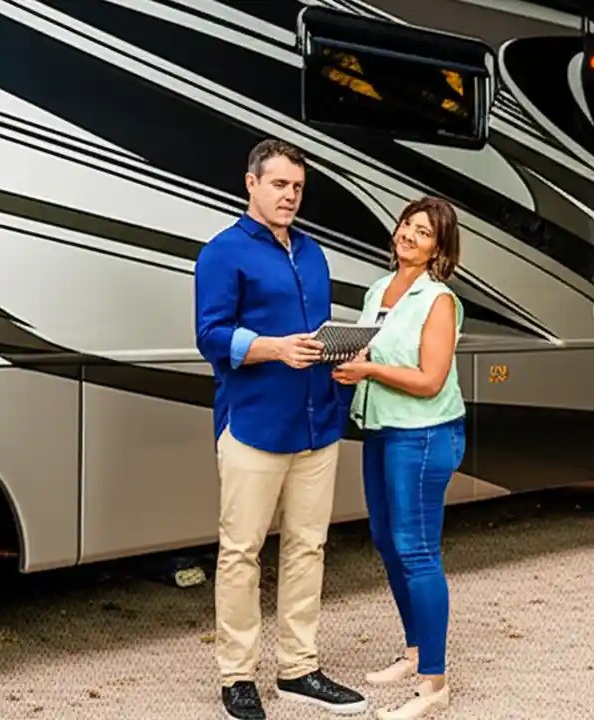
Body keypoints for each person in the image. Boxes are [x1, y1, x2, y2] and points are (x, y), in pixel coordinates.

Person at [194, 138, 368, 720]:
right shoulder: (223, 252)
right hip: (253, 426)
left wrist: (338, 360)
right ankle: (237, 676)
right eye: (279, 185)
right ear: (252, 184)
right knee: (241, 552)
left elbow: (316, 330)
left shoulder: (314, 253)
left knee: (308, 548)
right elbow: (211, 336)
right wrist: (272, 349)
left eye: (296, 187)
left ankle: (299, 668)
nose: (289, 195)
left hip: (318, 424)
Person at [331, 196, 466, 720]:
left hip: (425, 433)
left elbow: (430, 381)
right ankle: (414, 653)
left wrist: (369, 372)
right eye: (406, 224)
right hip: (383, 428)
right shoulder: (378, 289)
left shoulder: (439, 300)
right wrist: (350, 360)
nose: (409, 235)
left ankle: (435, 684)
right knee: (387, 542)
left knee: (417, 551)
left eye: (423, 231)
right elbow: (379, 352)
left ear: (439, 249)